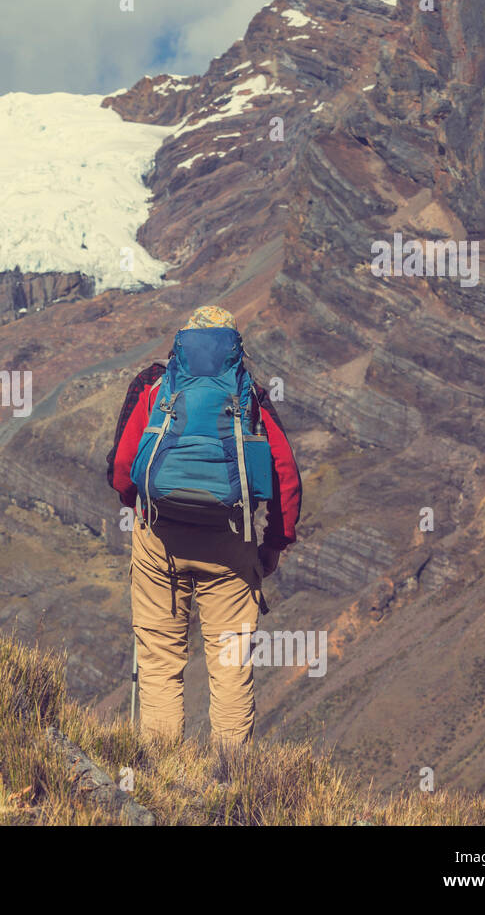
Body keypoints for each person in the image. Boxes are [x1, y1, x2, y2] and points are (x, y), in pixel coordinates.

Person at [106, 305, 301, 746]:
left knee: (159, 663)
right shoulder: (250, 395)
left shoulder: (156, 386)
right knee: (230, 665)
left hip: (161, 540)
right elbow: (286, 475)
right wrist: (273, 545)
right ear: (234, 349)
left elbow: (122, 465)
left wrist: (139, 506)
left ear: (184, 344)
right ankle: (230, 784)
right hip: (231, 544)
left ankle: (160, 775)